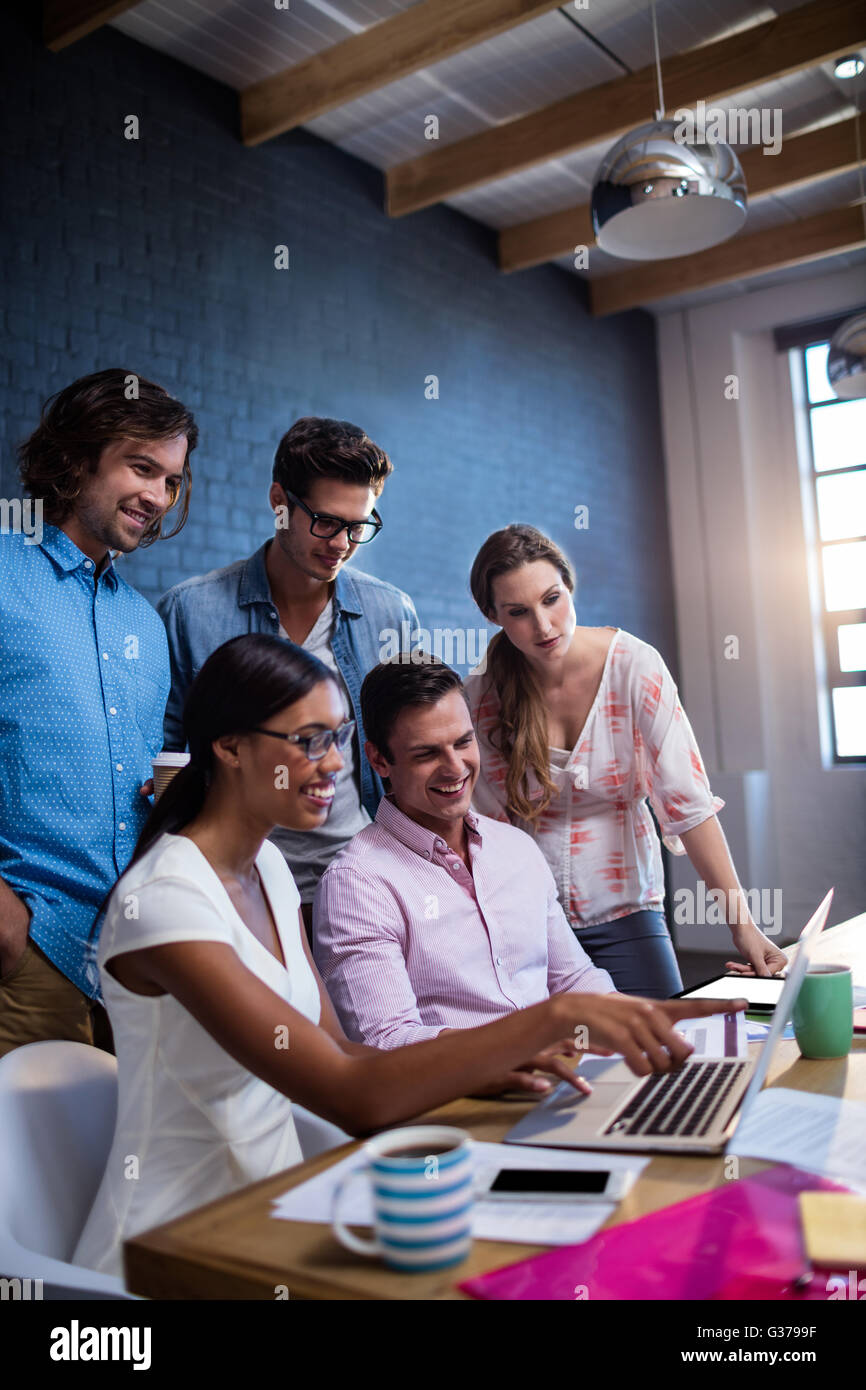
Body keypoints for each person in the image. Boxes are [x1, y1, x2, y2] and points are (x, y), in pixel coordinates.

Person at [73, 634, 739, 1279]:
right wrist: (549, 1020)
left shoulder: (269, 869)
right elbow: (348, 1094)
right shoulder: (166, 902)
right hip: (171, 1246)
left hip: (278, 1208)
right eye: (308, 742)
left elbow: (343, 1050)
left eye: (334, 738)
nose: (334, 765)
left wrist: (503, 1060)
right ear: (229, 748)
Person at [464, 524, 787, 997]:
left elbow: (689, 807)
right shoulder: (481, 694)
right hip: (529, 917)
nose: (544, 626)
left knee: (665, 1045)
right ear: (492, 615)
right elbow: (484, 829)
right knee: (561, 1064)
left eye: (552, 599)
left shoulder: (635, 667)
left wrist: (743, 927)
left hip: (626, 909)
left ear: (569, 587)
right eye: (519, 612)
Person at [0, 368, 197, 1056]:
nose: (157, 496)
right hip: (28, 956)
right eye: (141, 468)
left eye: (170, 479)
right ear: (76, 458)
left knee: (117, 1161)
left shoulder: (143, 622)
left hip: (128, 962)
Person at [156, 417, 420, 927]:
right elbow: (164, 760)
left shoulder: (391, 615)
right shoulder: (191, 611)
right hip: (232, 891)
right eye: (325, 521)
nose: (342, 542)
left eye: (359, 526)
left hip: (361, 889)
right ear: (280, 501)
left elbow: (408, 755)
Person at [314, 657, 618, 1080]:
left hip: (564, 1074)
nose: (455, 768)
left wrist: (633, 1026)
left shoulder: (516, 847)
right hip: (460, 1099)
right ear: (379, 761)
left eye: (462, 742)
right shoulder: (357, 884)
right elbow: (386, 1041)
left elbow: (573, 978)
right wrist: (512, 1052)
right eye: (426, 754)